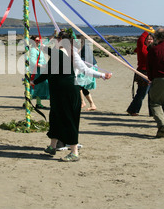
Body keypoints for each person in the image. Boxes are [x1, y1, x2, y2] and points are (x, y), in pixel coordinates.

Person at [33, 29, 112, 162]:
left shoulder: (70, 54)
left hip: (69, 91)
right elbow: (47, 72)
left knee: (69, 119)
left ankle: (74, 152)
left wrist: (102, 75)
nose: (57, 42)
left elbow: (84, 69)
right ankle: (52, 146)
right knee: (55, 117)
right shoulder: (58, 55)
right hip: (57, 92)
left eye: (58, 40)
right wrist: (33, 82)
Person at [127, 31, 154, 116]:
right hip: (143, 73)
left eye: (151, 39)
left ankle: (152, 112)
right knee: (142, 93)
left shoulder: (154, 49)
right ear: (145, 41)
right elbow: (140, 40)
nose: (149, 41)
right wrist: (147, 31)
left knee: (152, 94)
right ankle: (133, 110)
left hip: (153, 73)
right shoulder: (142, 48)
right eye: (147, 39)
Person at [77, 37, 99, 111]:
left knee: (79, 84)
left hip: (89, 67)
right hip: (88, 67)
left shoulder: (85, 47)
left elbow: (87, 59)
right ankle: (90, 104)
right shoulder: (82, 46)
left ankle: (84, 102)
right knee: (80, 85)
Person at [29, 35, 49, 109]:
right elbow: (32, 61)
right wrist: (40, 65)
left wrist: (54, 34)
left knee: (40, 86)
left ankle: (38, 103)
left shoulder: (39, 48)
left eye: (39, 41)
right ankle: (27, 102)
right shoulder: (33, 50)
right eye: (37, 41)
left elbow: (47, 41)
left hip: (41, 70)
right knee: (34, 86)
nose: (38, 42)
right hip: (36, 71)